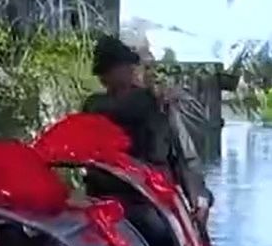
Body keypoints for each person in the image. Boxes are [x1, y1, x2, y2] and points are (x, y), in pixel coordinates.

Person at [82, 35, 215, 228]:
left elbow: (184, 156)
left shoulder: (157, 103)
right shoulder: (95, 107)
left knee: (156, 229)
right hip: (106, 195)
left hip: (148, 196)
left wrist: (199, 197)